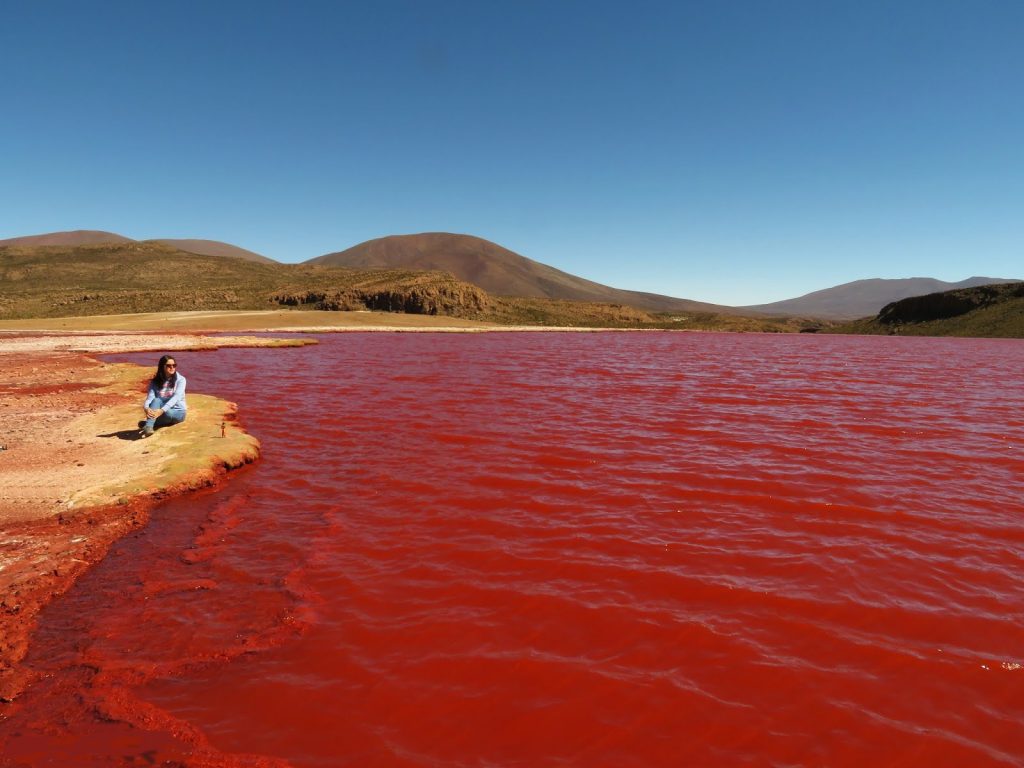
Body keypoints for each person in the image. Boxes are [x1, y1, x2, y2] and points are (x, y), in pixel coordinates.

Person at [140, 354, 187, 437]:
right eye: (169, 365)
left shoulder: (181, 380)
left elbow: (176, 397)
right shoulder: (155, 382)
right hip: (162, 412)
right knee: (156, 400)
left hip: (178, 412)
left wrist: (161, 410)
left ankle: (150, 423)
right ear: (162, 367)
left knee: (167, 414)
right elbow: (150, 398)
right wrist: (146, 408)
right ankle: (149, 427)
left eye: (174, 365)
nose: (172, 368)